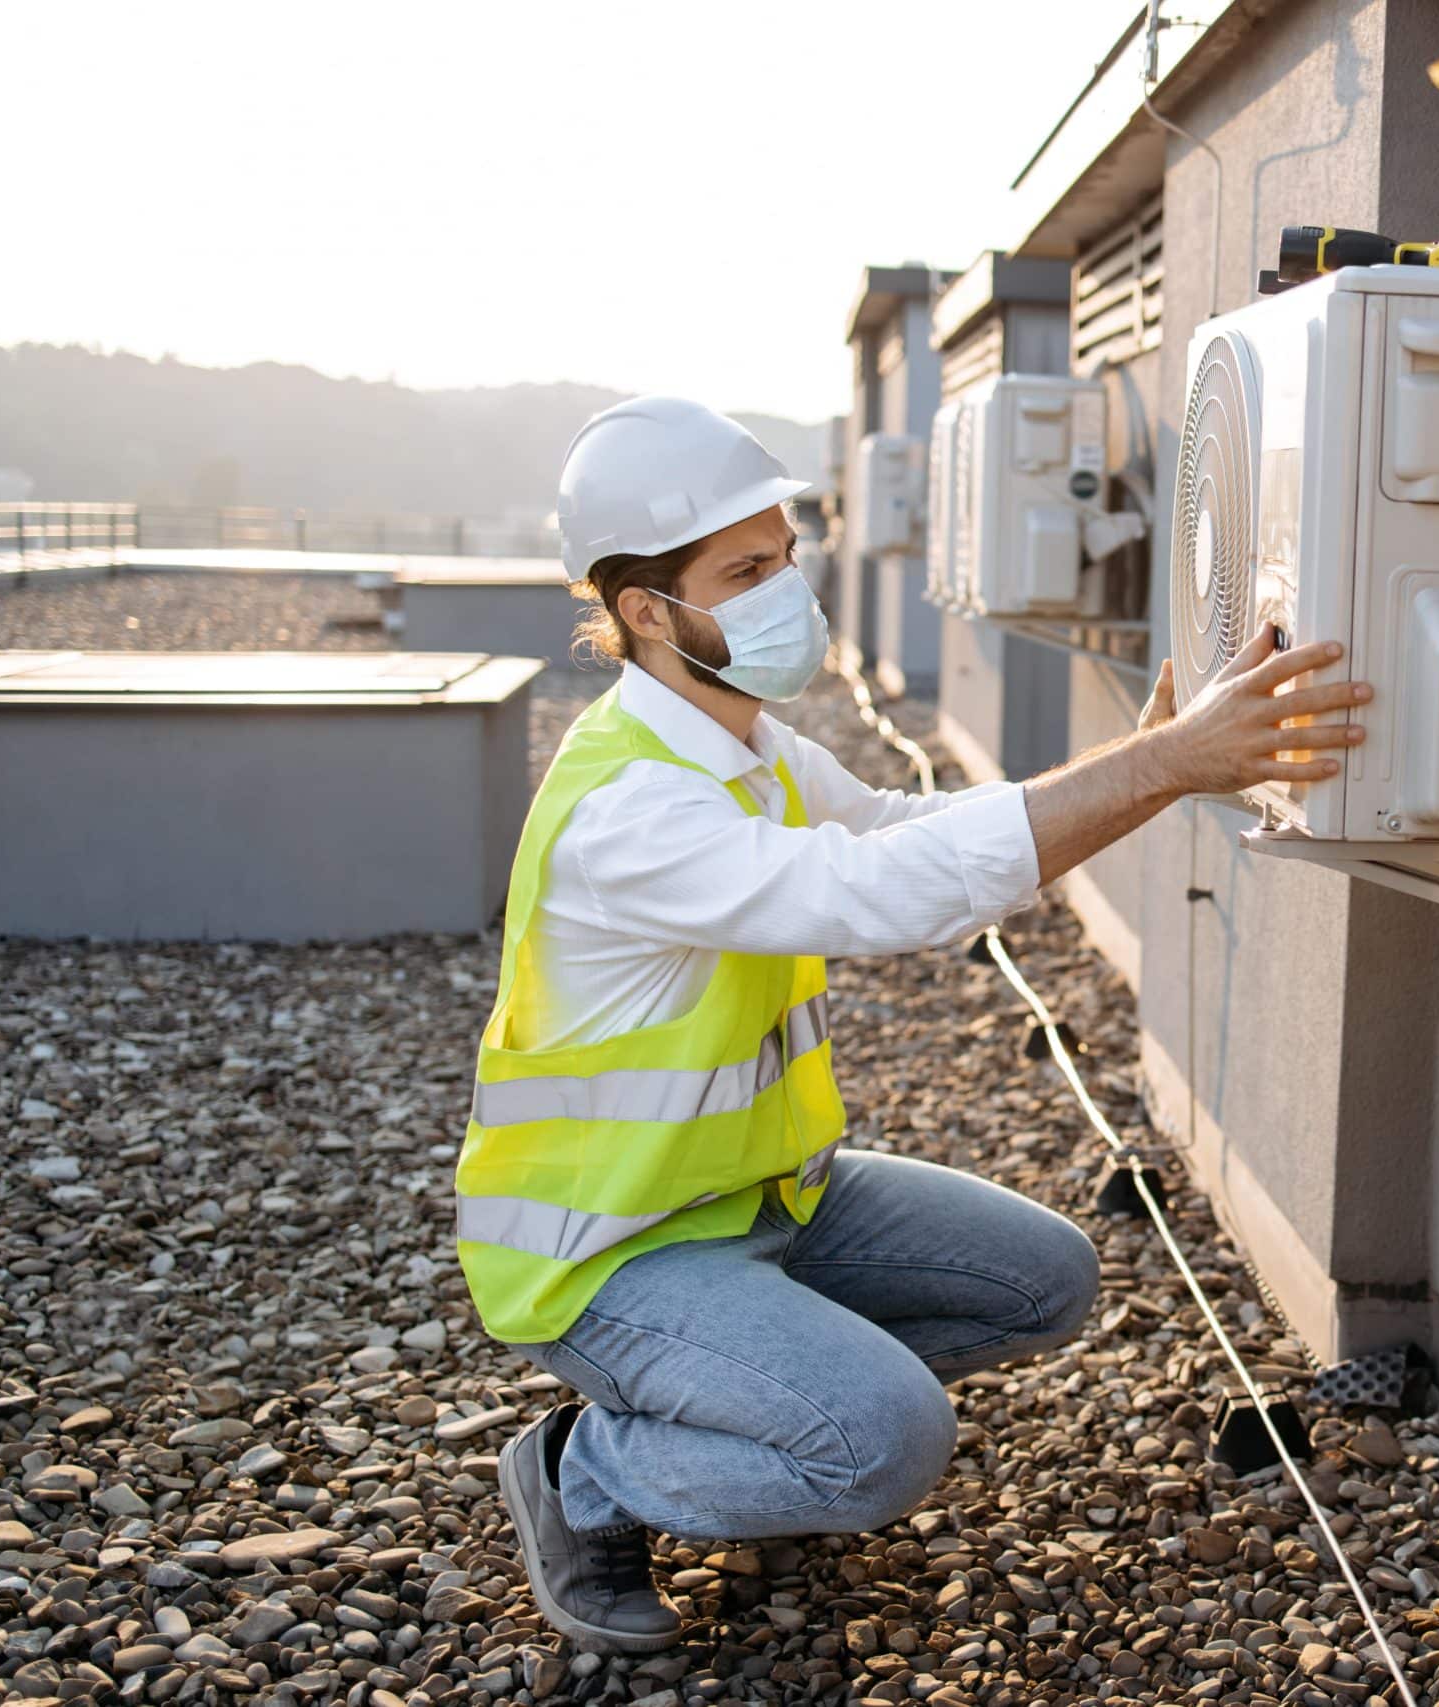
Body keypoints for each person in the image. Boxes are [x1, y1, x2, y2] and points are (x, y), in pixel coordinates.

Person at [456, 396, 1371, 1653]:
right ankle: (587, 1474)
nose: (788, 588)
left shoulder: (751, 747)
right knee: (888, 1445)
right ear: (645, 613)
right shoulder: (634, 811)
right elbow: (879, 896)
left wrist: (1149, 760)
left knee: (1044, 1281)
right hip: (610, 1253)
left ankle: (766, 1404)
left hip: (765, 1198)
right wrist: (1165, 766)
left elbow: (895, 830)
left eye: (784, 556)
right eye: (745, 571)